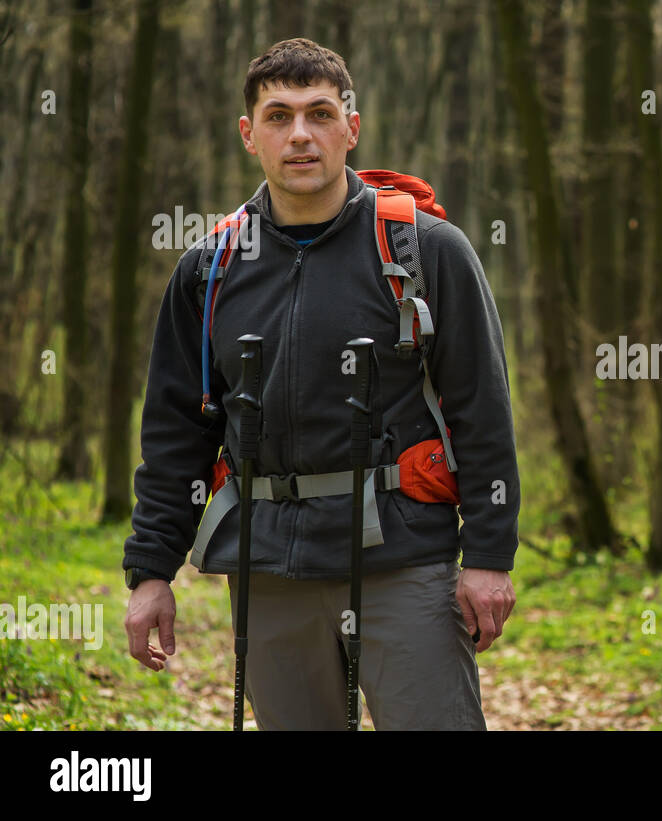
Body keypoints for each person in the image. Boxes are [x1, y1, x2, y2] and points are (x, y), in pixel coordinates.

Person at [121, 38, 519, 730]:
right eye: (278, 116)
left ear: (351, 127)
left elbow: (483, 410)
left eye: (319, 113)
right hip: (268, 566)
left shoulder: (424, 250)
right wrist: (151, 571)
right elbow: (177, 431)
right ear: (250, 135)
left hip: (404, 560)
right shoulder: (209, 271)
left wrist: (488, 555)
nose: (300, 134)